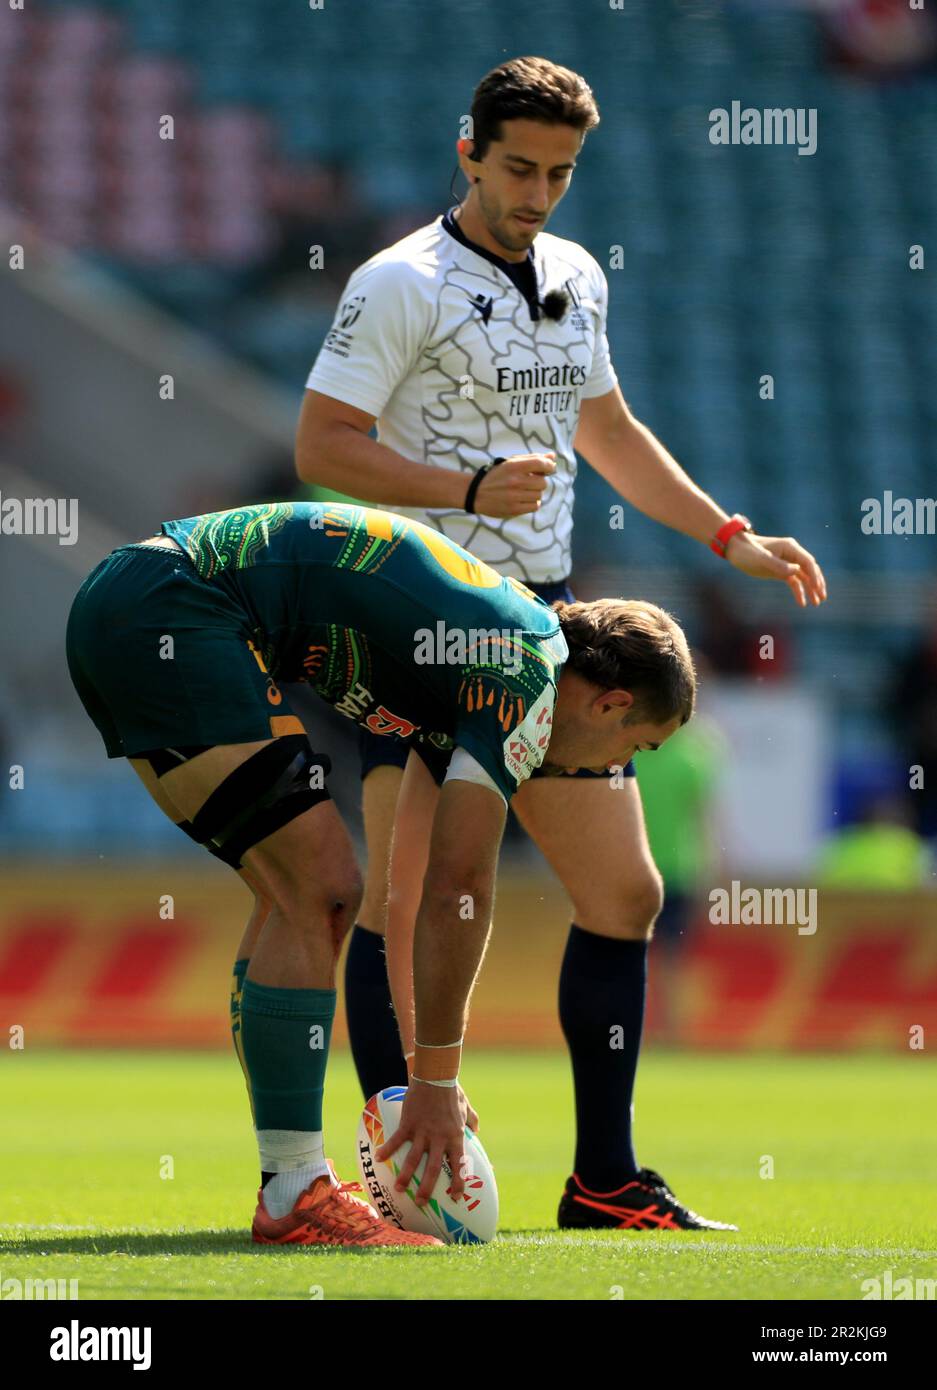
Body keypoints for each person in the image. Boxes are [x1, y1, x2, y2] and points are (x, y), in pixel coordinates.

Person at [297, 55, 826, 1230]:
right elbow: (322, 445)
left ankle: (604, 1179)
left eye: (561, 173)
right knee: (411, 894)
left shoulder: (577, 275)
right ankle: (401, 1137)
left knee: (624, 891)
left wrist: (726, 534)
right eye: (519, 167)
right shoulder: (399, 284)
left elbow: (610, 429)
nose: (538, 193)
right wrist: (465, 485)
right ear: (468, 149)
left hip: (541, 620)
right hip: (418, 621)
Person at [65, 499, 693, 1244]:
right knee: (321, 892)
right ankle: (294, 1193)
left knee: (290, 895)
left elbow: (428, 888)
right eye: (635, 747)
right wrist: (432, 1082)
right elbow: (460, 892)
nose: (617, 768)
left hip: (135, 600)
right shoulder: (522, 673)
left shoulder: (503, 638)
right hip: (178, 608)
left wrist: (425, 1072)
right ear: (610, 702)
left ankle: (288, 1183)